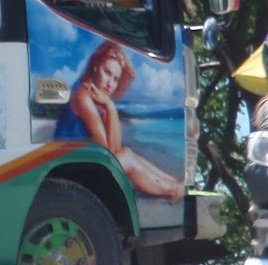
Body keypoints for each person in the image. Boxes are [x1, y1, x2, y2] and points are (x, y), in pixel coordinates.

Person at [55, 41, 185, 199]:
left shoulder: (96, 97)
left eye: (116, 79)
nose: (110, 84)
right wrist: (110, 107)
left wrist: (108, 108)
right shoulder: (83, 97)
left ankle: (174, 183)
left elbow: (115, 148)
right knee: (126, 158)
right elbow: (108, 155)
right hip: (70, 179)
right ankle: (172, 190)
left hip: (78, 170)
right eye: (107, 72)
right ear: (95, 66)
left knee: (126, 152)